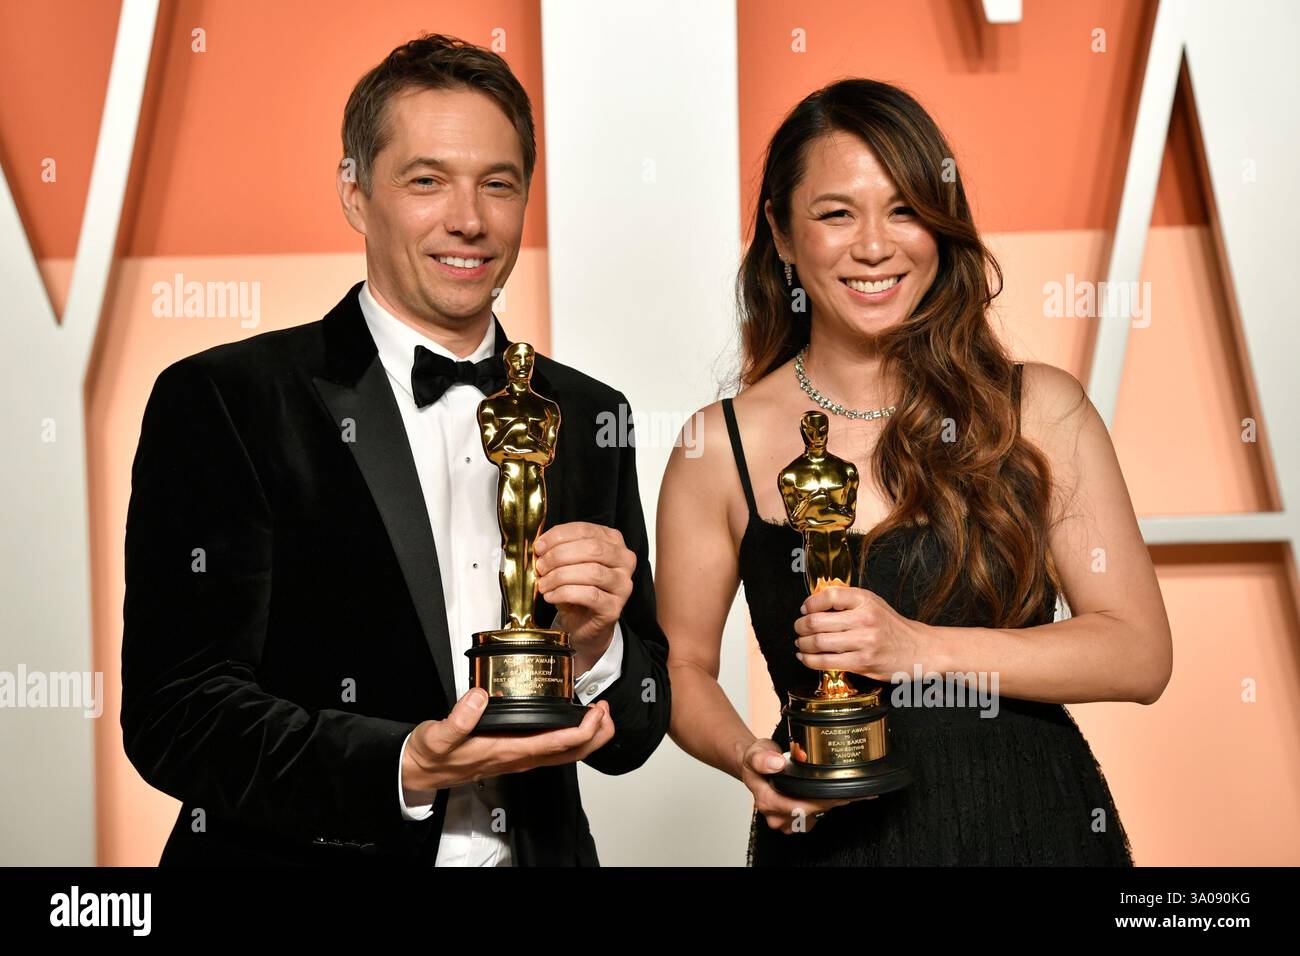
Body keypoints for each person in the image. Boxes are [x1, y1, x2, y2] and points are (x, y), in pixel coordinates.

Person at [121, 33, 669, 867]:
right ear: (354, 192)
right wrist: (403, 765)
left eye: (499, 184)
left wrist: (595, 648)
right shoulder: (229, 399)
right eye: (426, 181)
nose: (470, 220)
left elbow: (637, 729)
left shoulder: (590, 412)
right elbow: (176, 711)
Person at [657, 78, 1171, 865]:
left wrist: (915, 648)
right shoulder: (716, 445)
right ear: (782, 235)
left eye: (904, 210)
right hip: (834, 842)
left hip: (1031, 827)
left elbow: (1138, 653)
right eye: (836, 213)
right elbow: (682, 667)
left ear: (942, 225)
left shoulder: (1037, 409)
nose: (874, 246)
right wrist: (746, 759)